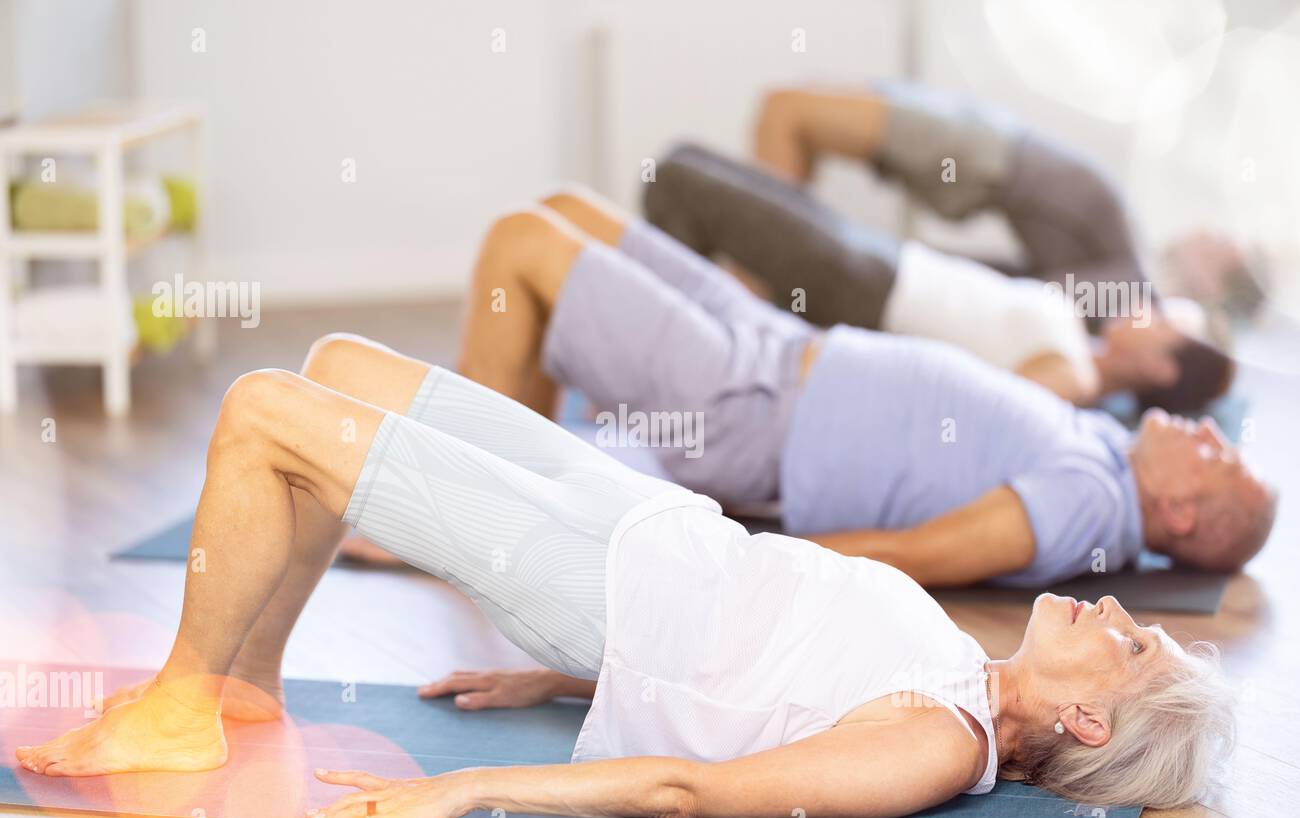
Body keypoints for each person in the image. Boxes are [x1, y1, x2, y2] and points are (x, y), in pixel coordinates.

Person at [14, 334, 1232, 818]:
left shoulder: (934, 742)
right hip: (639, 519)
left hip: (593, 577)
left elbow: (686, 783)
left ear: (1086, 719)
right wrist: (558, 679)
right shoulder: (960, 667)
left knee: (262, 408)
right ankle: (246, 681)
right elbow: (774, 662)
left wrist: (472, 785)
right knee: (335, 363)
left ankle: (182, 699)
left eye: (1129, 645)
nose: (1116, 610)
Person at [454, 189, 1276, 589]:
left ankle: (472, 517)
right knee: (564, 211)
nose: (1211, 434)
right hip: (780, 349)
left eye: (1220, 459)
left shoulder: (1087, 503)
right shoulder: (1105, 450)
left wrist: (725, 571)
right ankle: (515, 483)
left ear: (1179, 515)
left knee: (521, 243)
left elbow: (913, 556)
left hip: (747, 408)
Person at [643, 82, 1250, 412]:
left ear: (1160, 367)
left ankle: (662, 374)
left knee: (677, 179)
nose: (1143, 307)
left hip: (865, 287)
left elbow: (979, 412)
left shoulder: (1073, 379)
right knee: (688, 169)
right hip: (883, 257)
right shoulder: (1078, 333)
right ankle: (673, 358)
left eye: (1159, 322)